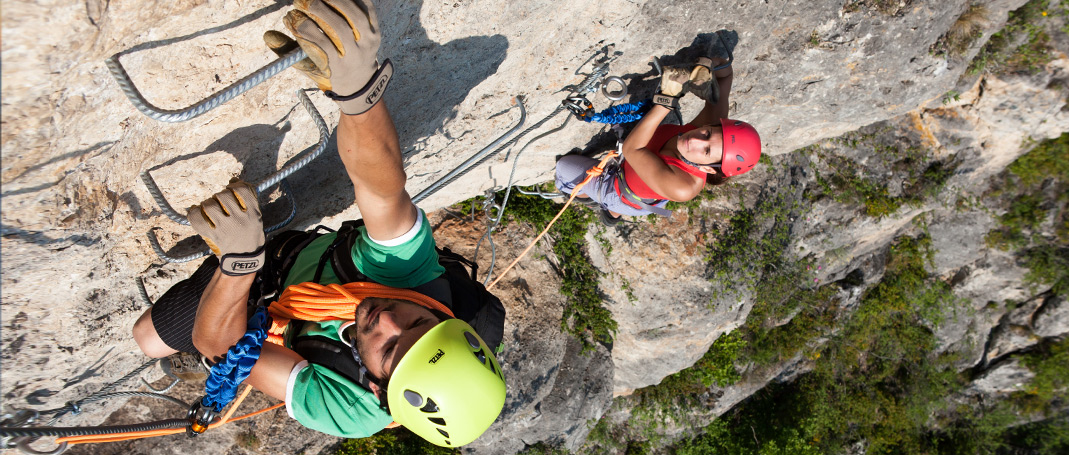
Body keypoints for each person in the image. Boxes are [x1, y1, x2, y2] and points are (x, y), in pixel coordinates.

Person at [129, 0, 505, 446]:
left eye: (388, 348)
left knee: (148, 339)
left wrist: (239, 264)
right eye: (418, 324)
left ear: (375, 387)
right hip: (287, 259)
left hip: (258, 291)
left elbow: (219, 350)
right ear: (438, 317)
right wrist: (358, 92)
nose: (389, 320)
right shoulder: (415, 283)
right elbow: (382, 191)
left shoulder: (350, 409)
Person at [554, 53, 763, 224]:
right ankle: (612, 212)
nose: (696, 140)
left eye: (706, 151)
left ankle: (602, 206)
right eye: (707, 133)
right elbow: (726, 77)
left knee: (564, 167)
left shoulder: (684, 188)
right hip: (643, 175)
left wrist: (665, 102)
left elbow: (632, 150)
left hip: (621, 191)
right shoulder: (712, 132)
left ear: (709, 169)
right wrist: (711, 66)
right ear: (711, 125)